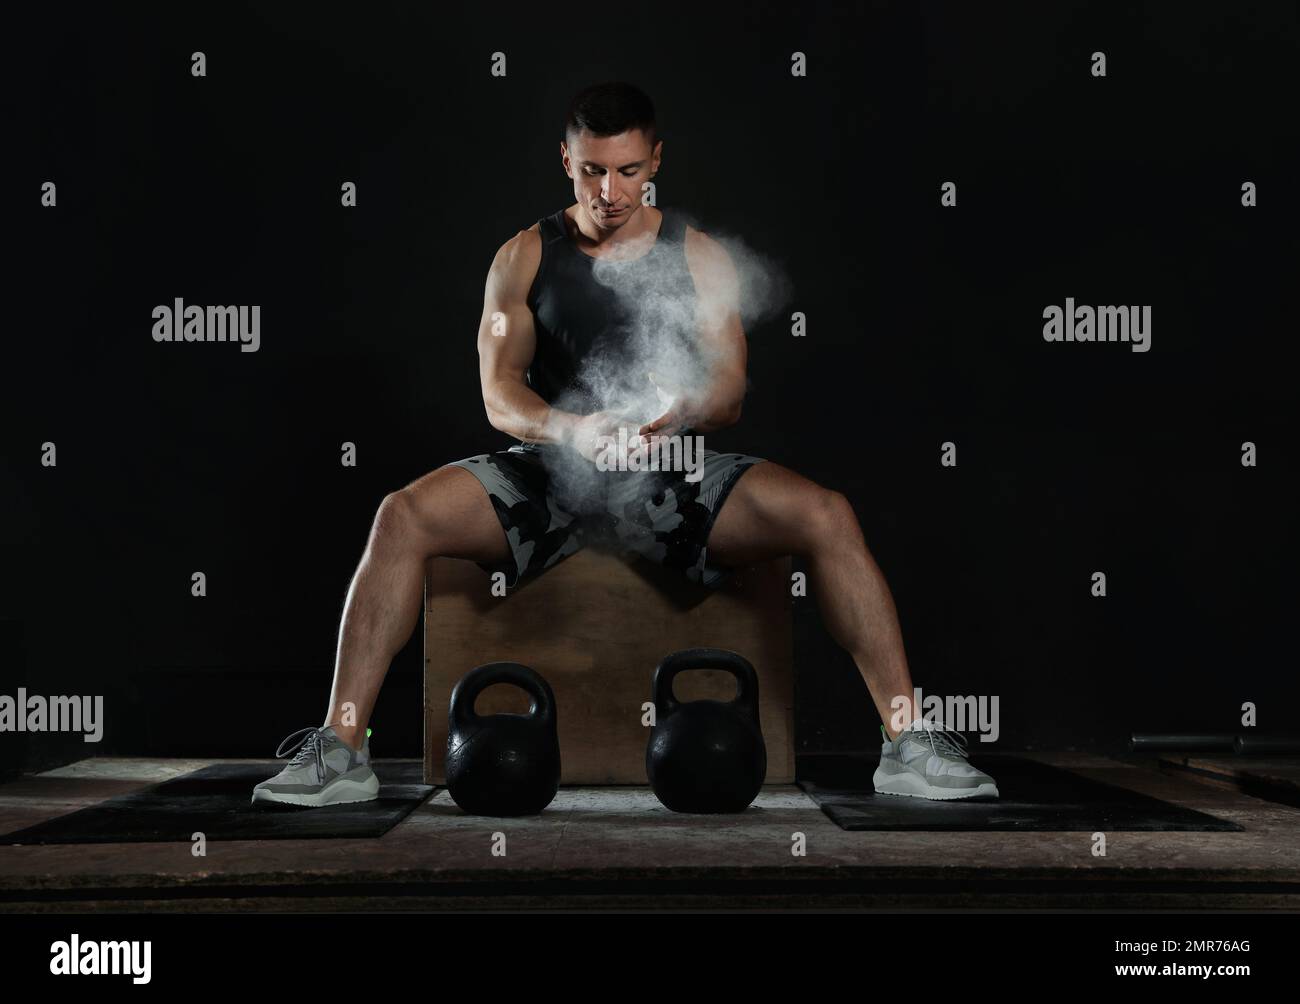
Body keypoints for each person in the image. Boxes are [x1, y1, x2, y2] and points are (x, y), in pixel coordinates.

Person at [252, 82, 998, 808]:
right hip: (552, 469)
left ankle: (908, 745)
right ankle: (342, 750)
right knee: (400, 514)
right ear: (566, 161)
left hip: (670, 468)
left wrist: (680, 412)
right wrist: (569, 427)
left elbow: (730, 390)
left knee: (827, 513)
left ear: (657, 161)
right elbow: (499, 394)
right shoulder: (523, 255)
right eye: (592, 171)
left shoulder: (699, 255)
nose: (610, 191)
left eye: (629, 172)